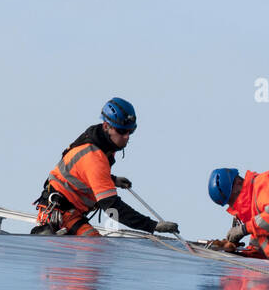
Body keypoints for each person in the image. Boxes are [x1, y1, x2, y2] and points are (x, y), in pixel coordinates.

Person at [32, 98, 180, 237]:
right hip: (60, 213)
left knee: (96, 252)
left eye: (130, 131)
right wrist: (152, 226)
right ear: (106, 126)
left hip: (69, 211)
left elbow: (82, 174)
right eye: (122, 131)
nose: (127, 136)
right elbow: (112, 208)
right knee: (96, 251)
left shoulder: (102, 144)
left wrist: (112, 180)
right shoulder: (95, 157)